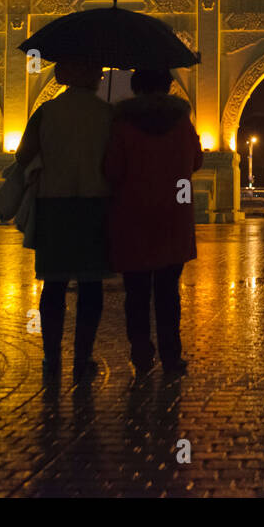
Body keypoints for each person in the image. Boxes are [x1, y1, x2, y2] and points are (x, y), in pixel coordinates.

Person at [16, 59, 113, 382]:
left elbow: (22, 155)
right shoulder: (107, 114)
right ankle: (82, 358)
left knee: (54, 286)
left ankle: (50, 357)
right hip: (93, 206)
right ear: (91, 78)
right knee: (90, 286)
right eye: (97, 71)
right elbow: (117, 161)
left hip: (53, 206)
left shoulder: (46, 112)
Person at [104, 68, 203, 376]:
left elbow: (112, 169)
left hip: (133, 217)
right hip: (174, 216)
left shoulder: (122, 124)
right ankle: (172, 357)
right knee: (168, 293)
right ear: (169, 87)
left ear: (135, 88)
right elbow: (197, 160)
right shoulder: (182, 124)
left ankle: (141, 352)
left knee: (135, 293)